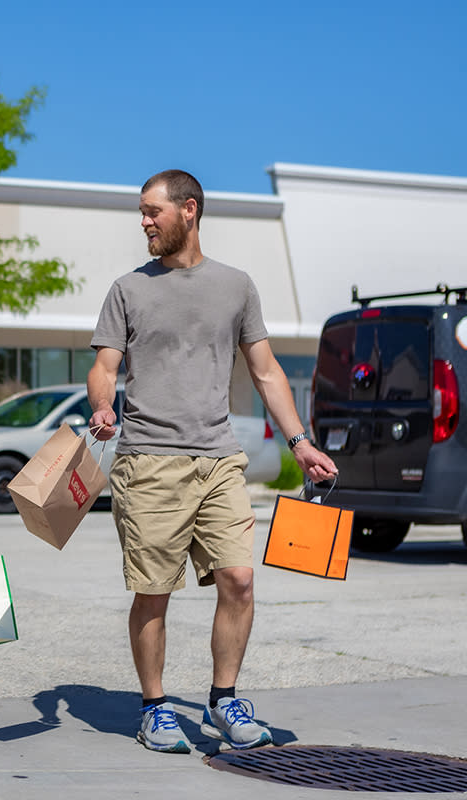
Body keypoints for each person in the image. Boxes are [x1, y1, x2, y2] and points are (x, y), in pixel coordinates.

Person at [87, 170, 339, 753]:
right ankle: (154, 708)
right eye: (141, 211)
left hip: (219, 458)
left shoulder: (236, 286)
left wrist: (301, 441)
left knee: (240, 580)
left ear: (189, 210)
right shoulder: (128, 289)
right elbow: (105, 366)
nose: (144, 221)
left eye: (153, 211)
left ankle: (224, 699)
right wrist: (104, 405)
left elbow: (267, 370)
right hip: (147, 460)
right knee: (154, 592)